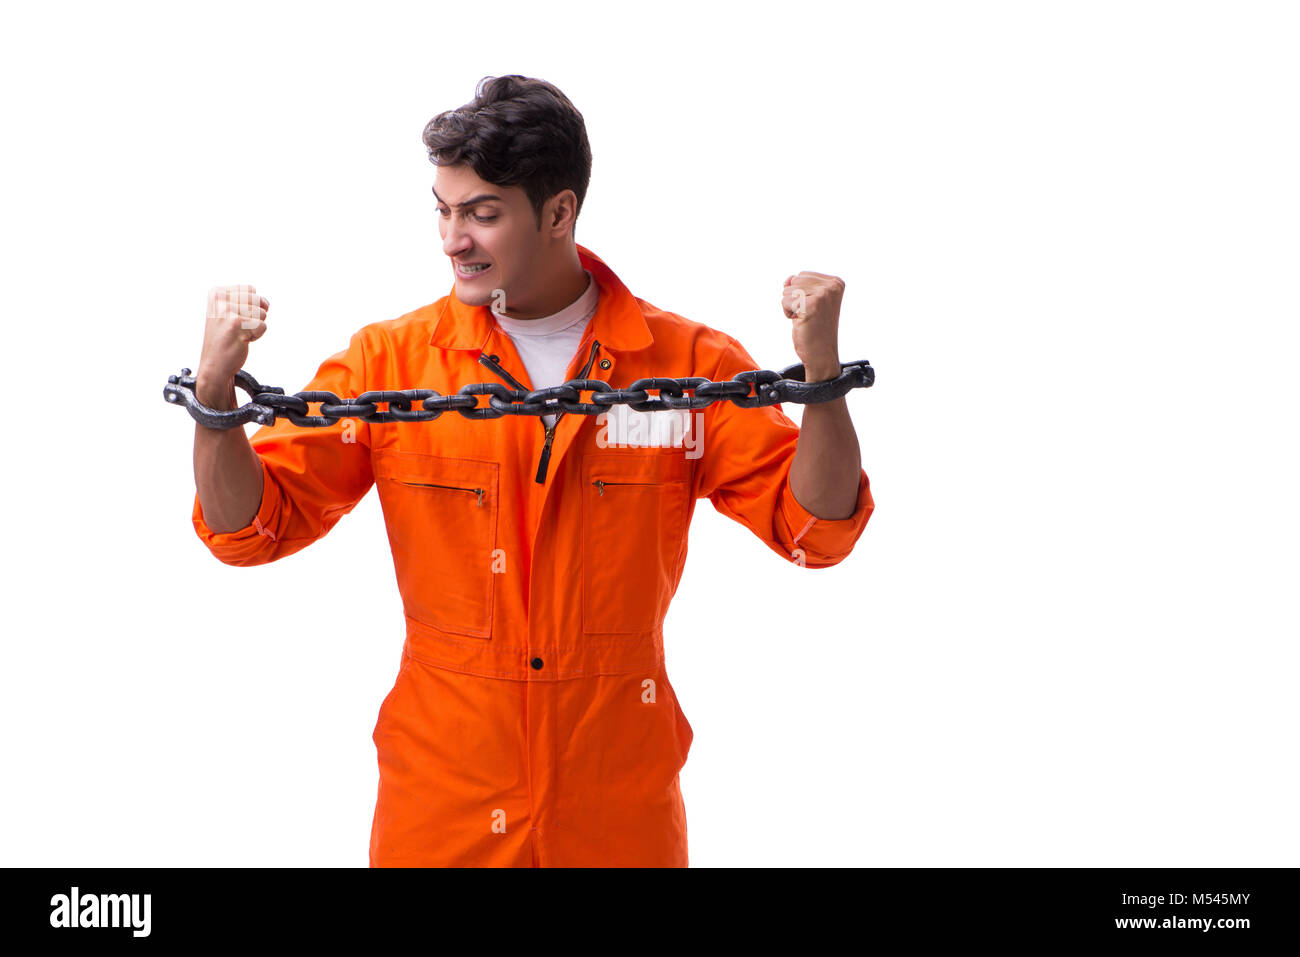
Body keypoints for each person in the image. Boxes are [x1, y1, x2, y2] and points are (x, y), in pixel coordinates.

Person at [191, 75, 875, 867]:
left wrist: (819, 379)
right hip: (442, 805)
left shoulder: (687, 366)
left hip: (618, 810)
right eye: (444, 211)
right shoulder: (389, 363)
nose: (454, 239)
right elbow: (249, 529)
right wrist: (215, 399)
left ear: (560, 213)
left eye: (483, 213)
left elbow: (816, 531)